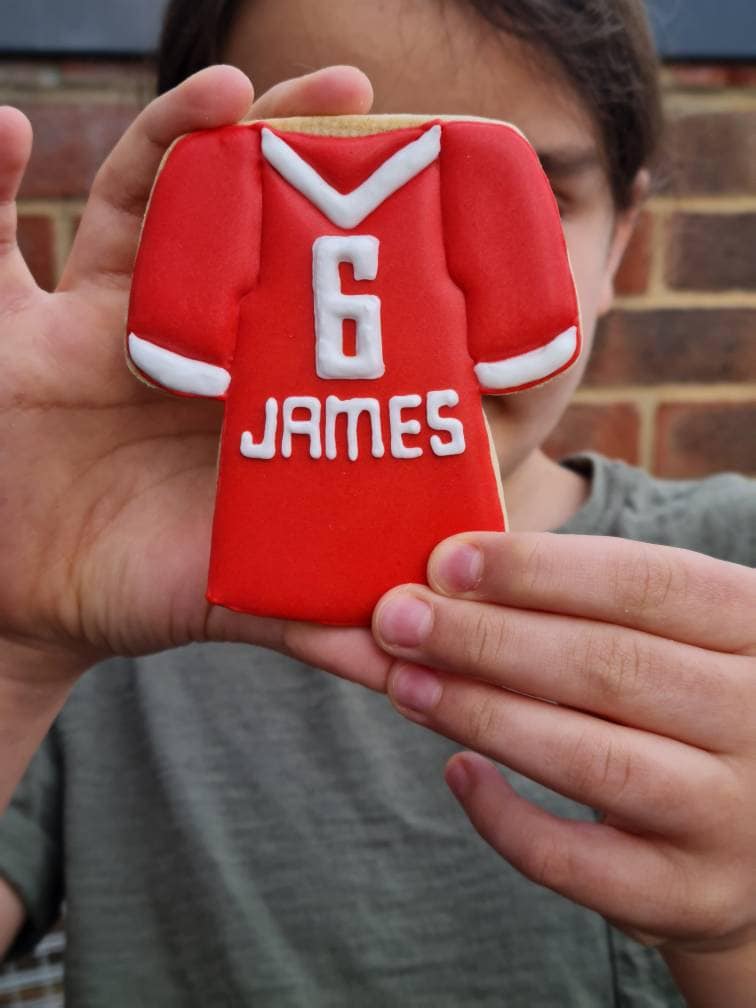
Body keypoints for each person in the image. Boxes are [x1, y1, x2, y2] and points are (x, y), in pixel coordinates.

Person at [0, 0, 754, 1003]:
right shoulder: (83, 636)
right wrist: (12, 658)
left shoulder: (736, 572)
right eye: (305, 160)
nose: (407, 274)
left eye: (522, 193)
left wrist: (735, 933)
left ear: (623, 244)